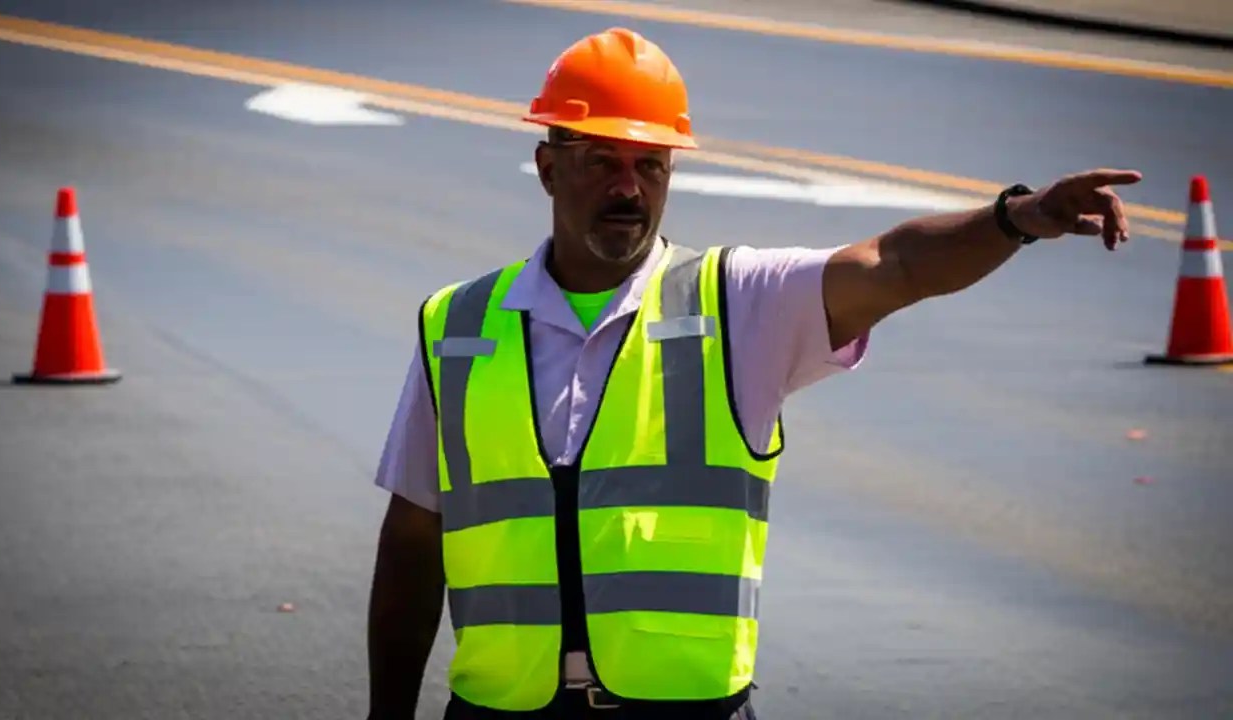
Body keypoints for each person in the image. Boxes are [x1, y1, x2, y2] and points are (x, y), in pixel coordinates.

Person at [366, 26, 1140, 720]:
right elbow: (411, 540)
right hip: (499, 712)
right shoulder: (458, 325)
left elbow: (893, 265)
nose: (628, 188)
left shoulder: (738, 304)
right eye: (601, 161)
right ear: (546, 167)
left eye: (650, 165)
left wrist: (1014, 219)